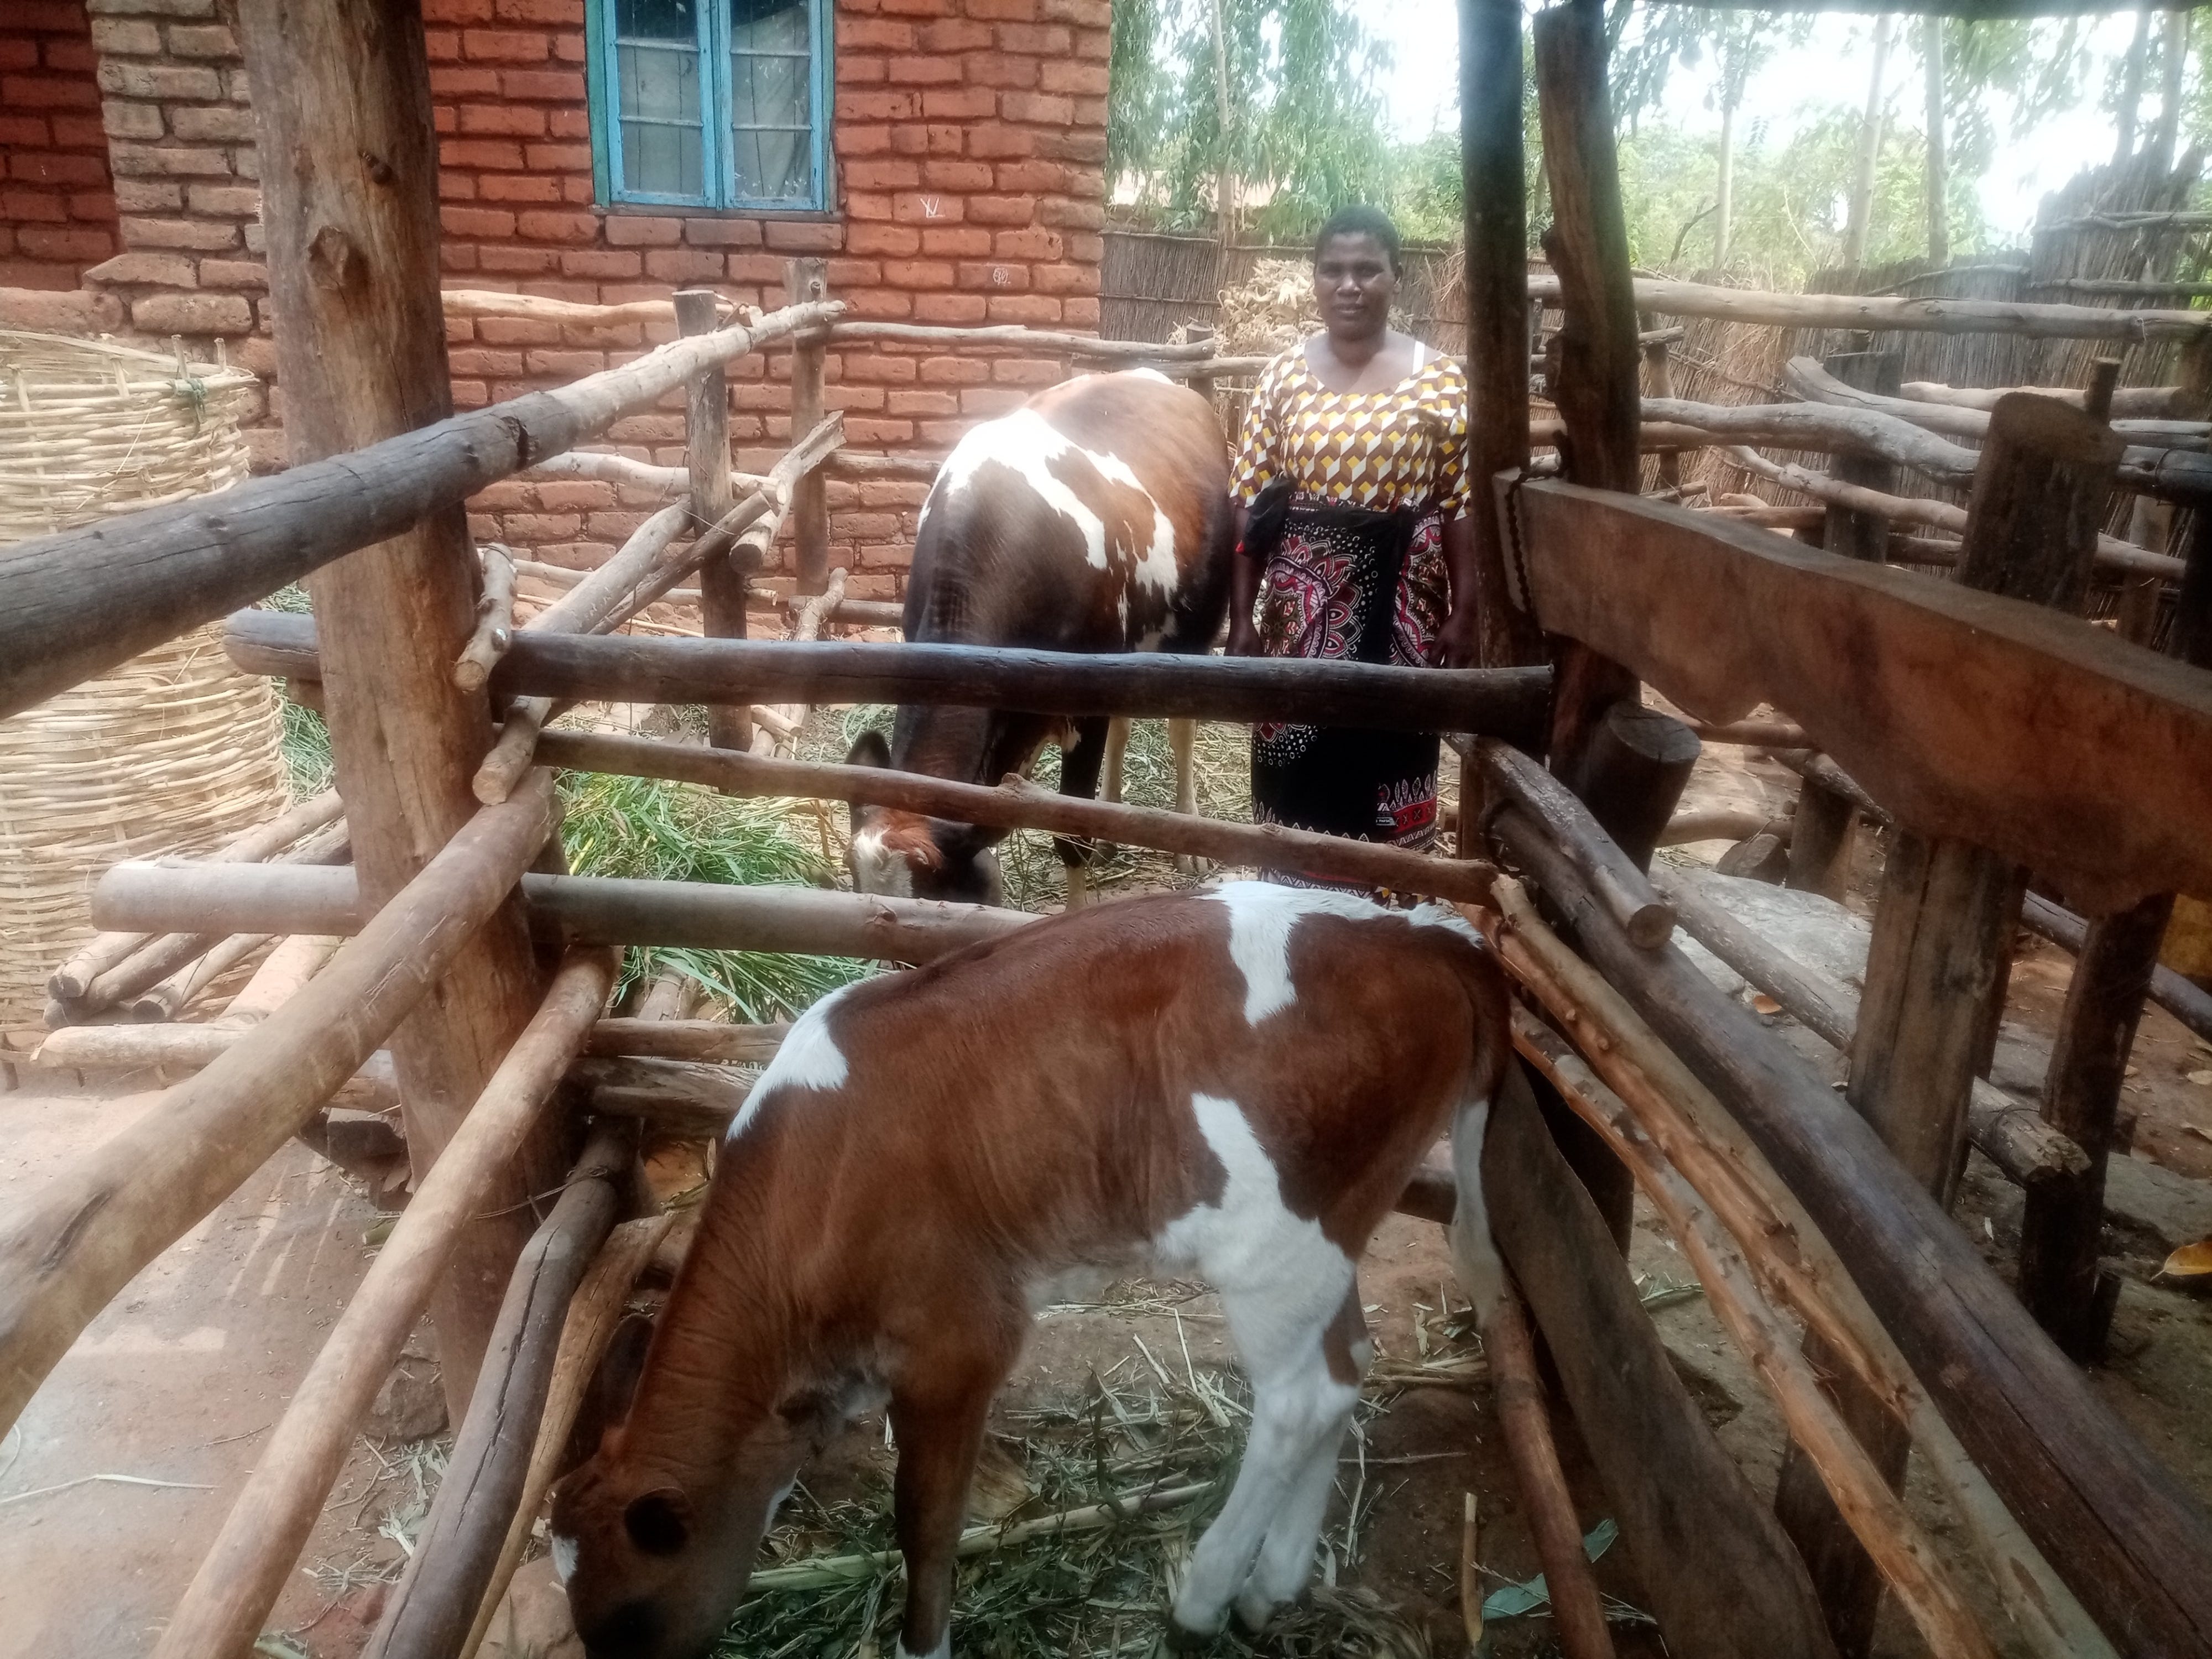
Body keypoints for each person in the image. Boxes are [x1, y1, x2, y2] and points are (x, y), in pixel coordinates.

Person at [1225, 204, 1478, 888]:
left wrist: (1464, 609)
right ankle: (1291, 912)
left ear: (1396, 277)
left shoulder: (1440, 378)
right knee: (1295, 753)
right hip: (1298, 609)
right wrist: (1242, 619)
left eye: (1367, 269)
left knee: (1390, 751)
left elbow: (1461, 505)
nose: (1349, 284)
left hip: (1408, 608)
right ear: (1313, 279)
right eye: (1333, 270)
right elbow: (1250, 503)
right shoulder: (1281, 379)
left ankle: (1386, 914)